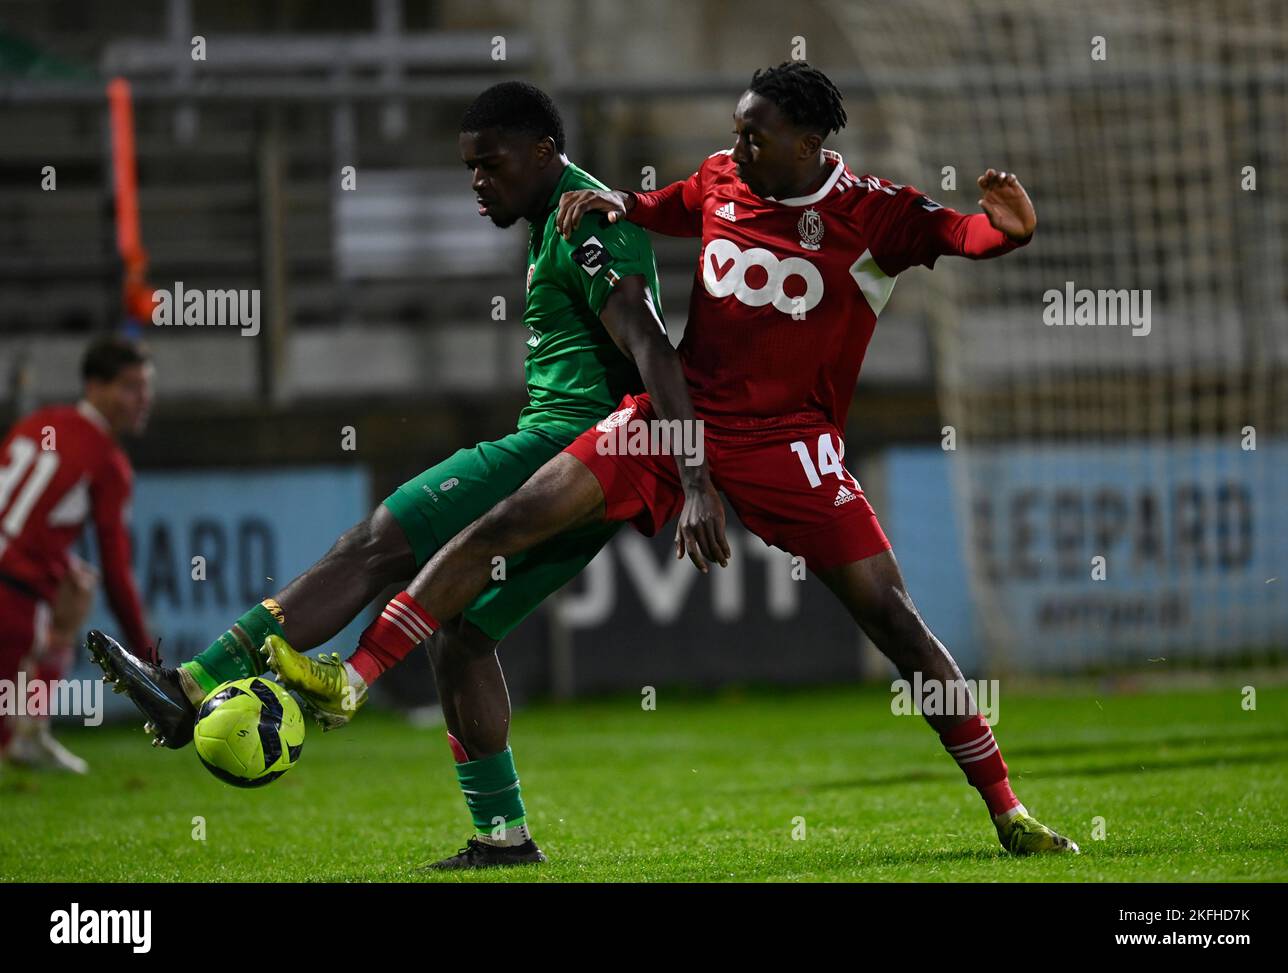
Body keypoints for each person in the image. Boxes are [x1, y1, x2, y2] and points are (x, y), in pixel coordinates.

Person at [269, 62, 1079, 861]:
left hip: (789, 445)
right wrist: (619, 202)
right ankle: (355, 676)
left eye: (753, 135)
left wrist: (1007, 231)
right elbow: (671, 205)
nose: (735, 147)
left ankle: (1009, 810)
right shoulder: (726, 176)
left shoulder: (878, 214)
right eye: (734, 131)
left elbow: (964, 234)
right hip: (674, 417)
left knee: (894, 620)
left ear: (806, 142)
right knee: (504, 523)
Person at [88, 81, 718, 867]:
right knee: (460, 634)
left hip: (567, 448)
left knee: (379, 542)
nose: (477, 183)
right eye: (468, 168)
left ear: (544, 153)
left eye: (490, 164)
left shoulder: (586, 223)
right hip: (595, 466)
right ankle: (503, 836)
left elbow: (654, 345)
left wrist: (695, 478)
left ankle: (195, 682)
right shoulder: (558, 215)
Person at [0, 336, 154, 774]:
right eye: (130, 387)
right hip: (9, 600)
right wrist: (147, 661)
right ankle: (22, 732)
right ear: (94, 386)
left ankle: (28, 731)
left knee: (75, 583)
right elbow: (117, 571)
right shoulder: (107, 461)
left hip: (13, 581)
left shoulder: (39, 422)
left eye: (146, 387)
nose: (142, 399)